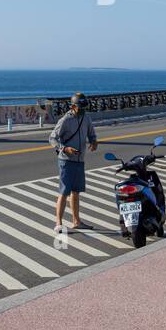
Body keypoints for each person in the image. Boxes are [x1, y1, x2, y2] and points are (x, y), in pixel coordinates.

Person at [48, 92, 98, 232]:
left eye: (84, 107)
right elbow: (52, 138)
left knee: (76, 192)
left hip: (80, 160)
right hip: (66, 161)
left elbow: (92, 134)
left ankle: (77, 221)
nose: (82, 109)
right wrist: (65, 148)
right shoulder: (65, 120)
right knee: (64, 191)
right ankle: (58, 222)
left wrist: (94, 142)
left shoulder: (86, 118)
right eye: (80, 107)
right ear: (73, 106)